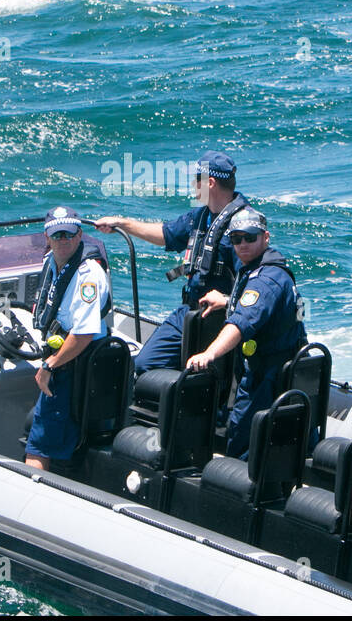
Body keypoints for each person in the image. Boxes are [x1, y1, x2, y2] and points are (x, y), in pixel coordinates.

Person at [95, 150, 248, 376]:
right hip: (189, 311)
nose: (193, 186)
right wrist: (122, 223)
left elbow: (257, 284)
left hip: (221, 320)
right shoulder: (200, 216)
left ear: (210, 183)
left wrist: (226, 300)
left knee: (204, 376)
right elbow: (165, 234)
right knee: (142, 364)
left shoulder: (245, 228)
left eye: (196, 180)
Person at [186, 208, 306, 459]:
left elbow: (241, 324)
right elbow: (261, 307)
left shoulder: (264, 279)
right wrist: (228, 301)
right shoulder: (265, 270)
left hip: (266, 378)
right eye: (236, 239)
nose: (242, 245)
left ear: (265, 237)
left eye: (250, 238)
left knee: (241, 442)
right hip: (282, 371)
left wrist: (209, 354)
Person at [24, 206, 111, 472]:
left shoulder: (88, 275)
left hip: (73, 364)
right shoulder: (51, 261)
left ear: (80, 235)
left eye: (69, 234)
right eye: (57, 234)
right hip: (60, 353)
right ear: (47, 237)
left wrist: (49, 367)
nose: (63, 240)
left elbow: (83, 333)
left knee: (38, 445)